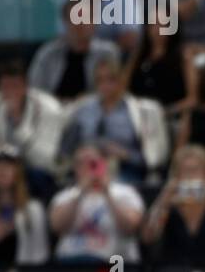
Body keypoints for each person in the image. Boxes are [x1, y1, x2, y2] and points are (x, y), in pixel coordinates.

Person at [59, 56, 169, 187]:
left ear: (122, 80)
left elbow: (153, 160)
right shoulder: (82, 109)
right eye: (100, 80)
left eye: (111, 79)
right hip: (85, 169)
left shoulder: (142, 112)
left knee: (116, 187)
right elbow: (66, 150)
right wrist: (79, 154)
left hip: (126, 170)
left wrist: (126, 155)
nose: (105, 85)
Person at [0, 59, 63, 189]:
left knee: (41, 177)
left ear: (26, 87)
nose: (10, 92)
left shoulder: (50, 108)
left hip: (30, 170)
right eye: (5, 86)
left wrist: (20, 128)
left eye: (15, 86)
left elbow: (48, 159)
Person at [48, 143, 145, 264]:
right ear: (75, 168)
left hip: (115, 263)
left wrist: (107, 193)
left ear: (103, 164)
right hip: (71, 263)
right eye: (81, 163)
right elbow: (57, 227)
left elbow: (131, 227)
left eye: (92, 163)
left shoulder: (125, 193)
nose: (87, 168)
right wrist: (81, 192)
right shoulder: (66, 196)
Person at [141, 144, 205, 263]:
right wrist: (163, 200)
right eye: (184, 171)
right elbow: (148, 238)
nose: (190, 177)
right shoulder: (167, 206)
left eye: (194, 170)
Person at [26, 0, 122, 102]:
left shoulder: (108, 53)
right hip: (54, 113)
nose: (80, 24)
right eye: (74, 18)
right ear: (65, 21)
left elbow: (113, 92)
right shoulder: (48, 54)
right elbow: (34, 92)